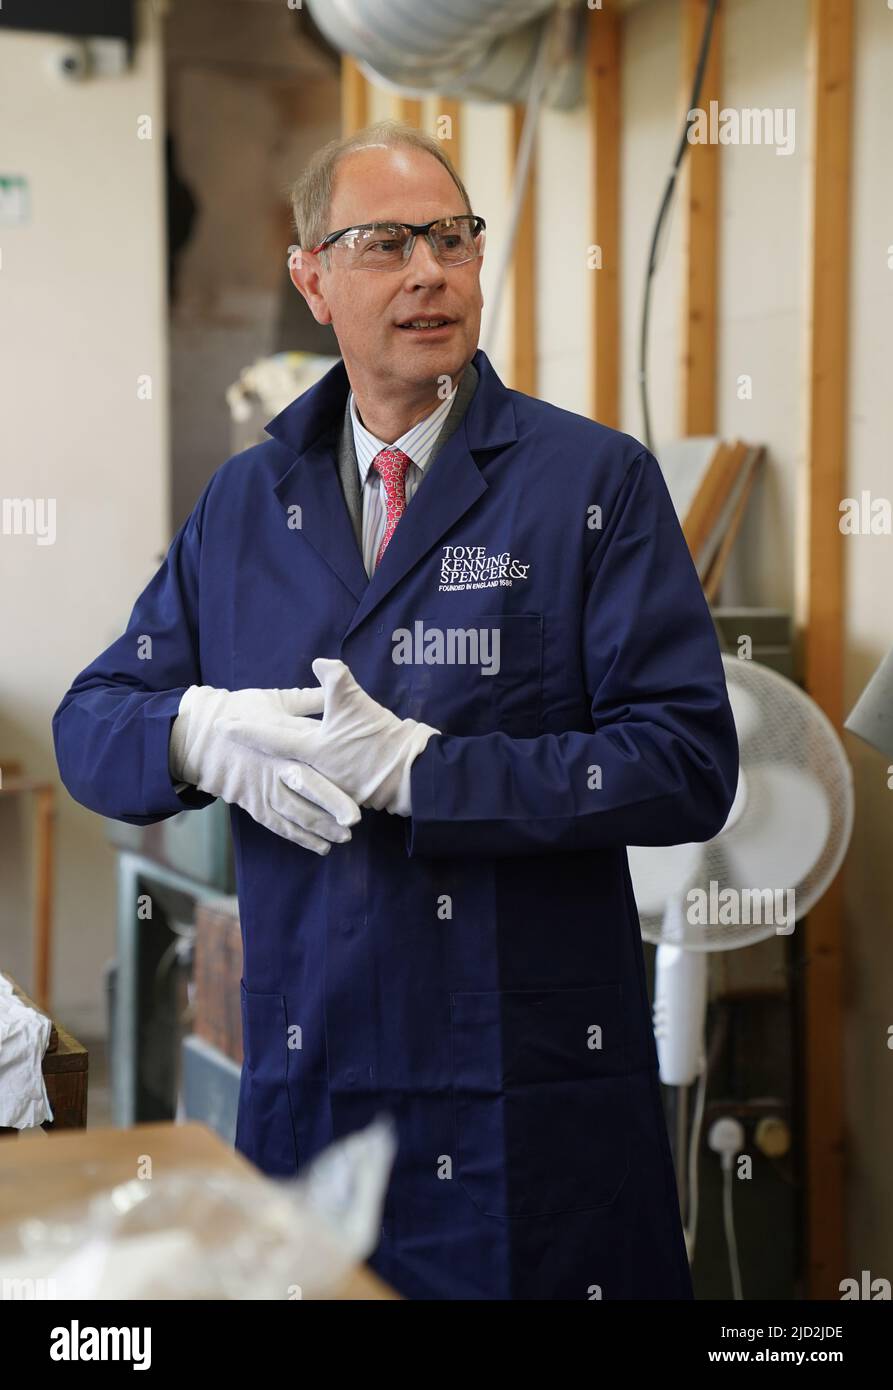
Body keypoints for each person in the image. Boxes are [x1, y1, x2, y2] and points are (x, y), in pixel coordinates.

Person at [53, 120, 739, 1300]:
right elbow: (92, 719)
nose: (428, 270)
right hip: (313, 1072)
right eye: (383, 243)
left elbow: (683, 759)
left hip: (522, 1087)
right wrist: (190, 733)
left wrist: (430, 774)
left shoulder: (589, 484)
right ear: (309, 279)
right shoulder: (244, 503)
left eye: (451, 237)